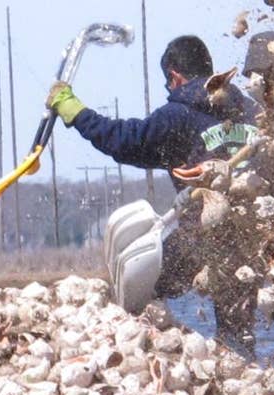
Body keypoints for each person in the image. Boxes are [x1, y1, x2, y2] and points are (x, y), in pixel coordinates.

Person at [47, 35, 261, 353]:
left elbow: (125, 141)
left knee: (144, 295)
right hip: (254, 240)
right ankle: (243, 383)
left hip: (201, 239)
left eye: (168, 83)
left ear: (175, 76)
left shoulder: (177, 115)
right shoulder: (251, 111)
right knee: (238, 338)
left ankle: (156, 366)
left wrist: (76, 112)